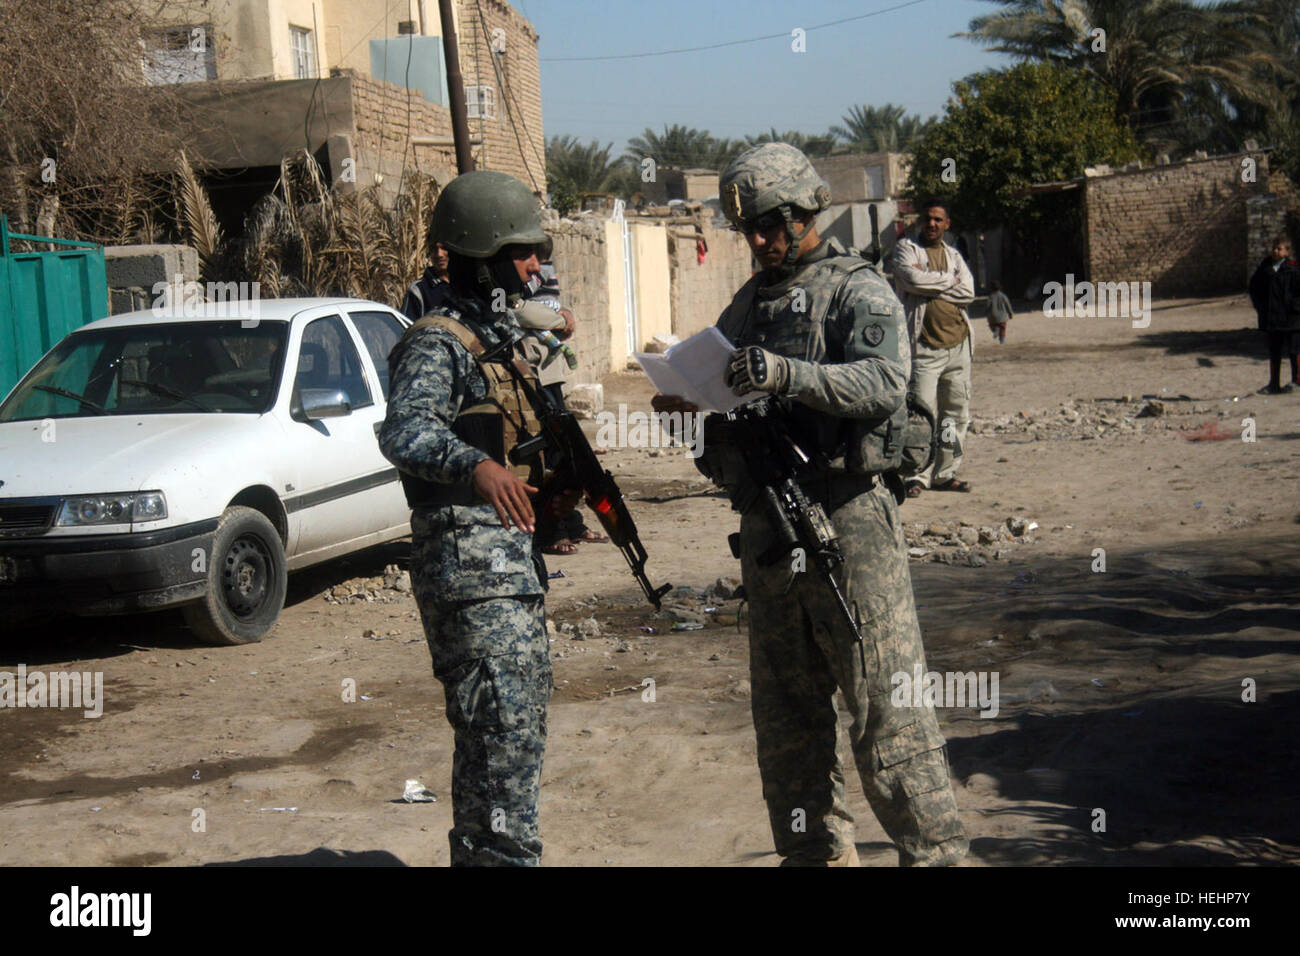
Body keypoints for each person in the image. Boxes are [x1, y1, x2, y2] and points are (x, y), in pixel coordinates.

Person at [653, 143, 968, 867]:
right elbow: (725, 418)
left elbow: (885, 381)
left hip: (849, 526)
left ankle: (939, 857)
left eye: (770, 225)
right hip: (770, 532)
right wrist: (690, 413)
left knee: (889, 718)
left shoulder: (857, 289)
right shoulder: (747, 305)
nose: (760, 241)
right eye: (750, 231)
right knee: (788, 731)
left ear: (804, 214)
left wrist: (786, 372)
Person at [379, 170, 556, 866]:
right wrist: (476, 468)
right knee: (500, 735)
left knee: (507, 741)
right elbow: (403, 432)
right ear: (481, 254)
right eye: (522, 251)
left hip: (509, 573)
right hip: (471, 580)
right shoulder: (437, 342)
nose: (536, 264)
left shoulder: (495, 338)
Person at [889, 199, 976, 498]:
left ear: (947, 224)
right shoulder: (906, 250)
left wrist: (931, 282)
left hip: (958, 346)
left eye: (939, 220)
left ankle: (945, 473)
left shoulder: (953, 255)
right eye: (928, 219)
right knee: (923, 416)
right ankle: (916, 475)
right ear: (919, 221)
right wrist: (948, 281)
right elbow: (910, 279)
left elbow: (969, 291)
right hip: (923, 349)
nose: (933, 224)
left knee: (954, 415)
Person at [1249, 234, 1299, 394]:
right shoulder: (1264, 269)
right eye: (1274, 248)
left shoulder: (1292, 269)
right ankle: (1274, 384)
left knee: (1294, 350)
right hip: (1272, 318)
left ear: (1287, 252)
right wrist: (1261, 307)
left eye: (1279, 249)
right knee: (1274, 351)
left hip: (1292, 318)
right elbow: (1254, 288)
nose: (1276, 251)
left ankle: (1297, 381)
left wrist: (1295, 306)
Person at [400, 237, 451, 322]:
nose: (439, 254)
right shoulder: (418, 290)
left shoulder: (465, 285)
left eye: (444, 248)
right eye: (434, 249)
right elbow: (408, 328)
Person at [986, 280, 1013, 344]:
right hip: (1002, 316)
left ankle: (996, 330)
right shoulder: (1003, 296)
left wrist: (986, 312)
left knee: (992, 326)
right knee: (1003, 329)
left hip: (993, 316)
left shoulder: (991, 296)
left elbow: (987, 306)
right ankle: (1002, 341)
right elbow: (1007, 304)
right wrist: (1010, 313)